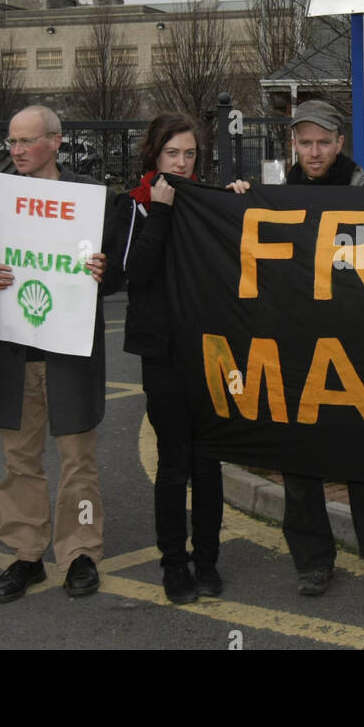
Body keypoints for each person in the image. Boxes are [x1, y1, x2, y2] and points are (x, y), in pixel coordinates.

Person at [227, 99, 364, 600]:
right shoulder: (275, 195)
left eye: (323, 142)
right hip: (298, 347)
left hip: (359, 346)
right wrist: (235, 200)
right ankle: (313, 562)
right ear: (294, 144)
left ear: (339, 144)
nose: (314, 151)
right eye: (305, 142)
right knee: (300, 459)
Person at [0, 104, 124, 603]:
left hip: (70, 351)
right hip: (16, 352)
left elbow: (118, 269)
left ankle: (82, 552)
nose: (16, 151)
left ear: (55, 142)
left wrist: (106, 271)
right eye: (12, 142)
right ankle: (26, 555)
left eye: (27, 141)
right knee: (20, 461)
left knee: (77, 460)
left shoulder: (87, 198)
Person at [119, 112, 224, 605]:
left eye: (189, 155)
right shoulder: (133, 206)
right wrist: (160, 212)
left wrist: (241, 200)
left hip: (208, 350)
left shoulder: (210, 202)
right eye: (172, 154)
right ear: (153, 156)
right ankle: (173, 562)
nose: (181, 164)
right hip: (161, 352)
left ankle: (206, 560)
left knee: (207, 461)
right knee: (173, 462)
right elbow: (134, 273)